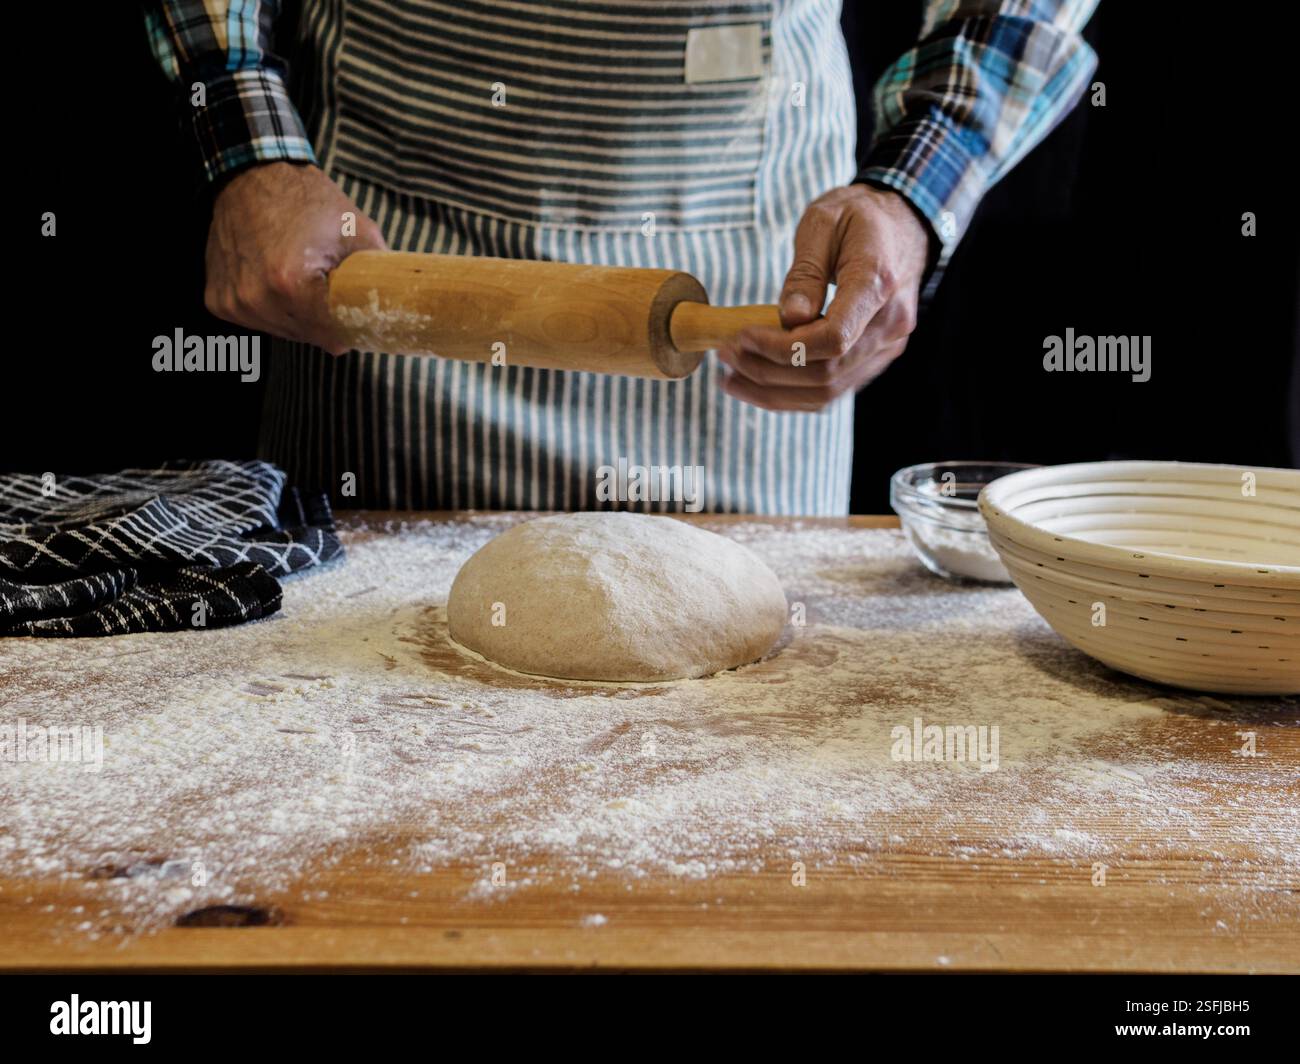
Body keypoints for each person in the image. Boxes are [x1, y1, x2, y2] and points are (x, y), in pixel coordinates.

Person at [145, 0, 1097, 514]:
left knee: (738, 744)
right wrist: (249, 145)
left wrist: (913, 191)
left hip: (750, 288)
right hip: (393, 274)